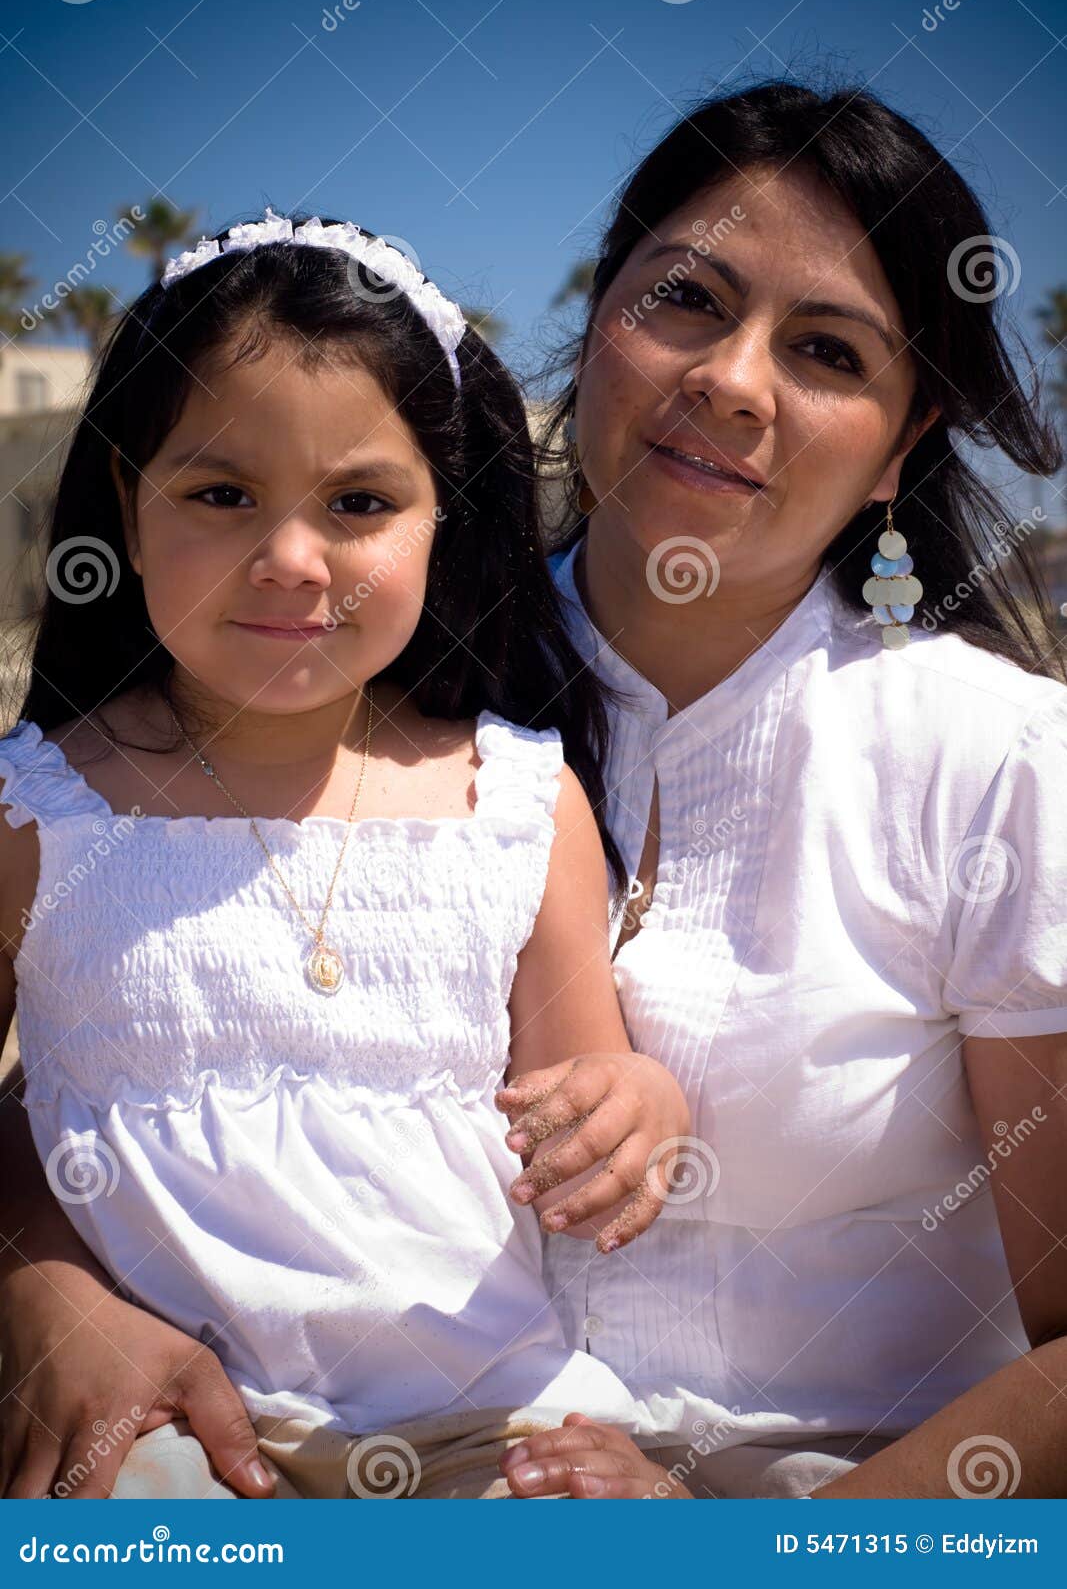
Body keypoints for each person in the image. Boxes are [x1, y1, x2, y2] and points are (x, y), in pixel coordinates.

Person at [0, 211, 689, 1499]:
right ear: (126, 518)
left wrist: (635, 1110)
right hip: (166, 1413)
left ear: (444, 521)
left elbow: (579, 1075)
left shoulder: (518, 803)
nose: (291, 559)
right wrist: (47, 1292)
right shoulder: (39, 809)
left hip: (490, 1418)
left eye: (361, 502)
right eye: (220, 495)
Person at [498, 78, 1067, 1498]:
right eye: (687, 298)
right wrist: (50, 1282)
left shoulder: (995, 763)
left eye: (824, 350)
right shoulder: (369, 698)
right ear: (598, 323)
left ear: (901, 444)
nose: (735, 381)